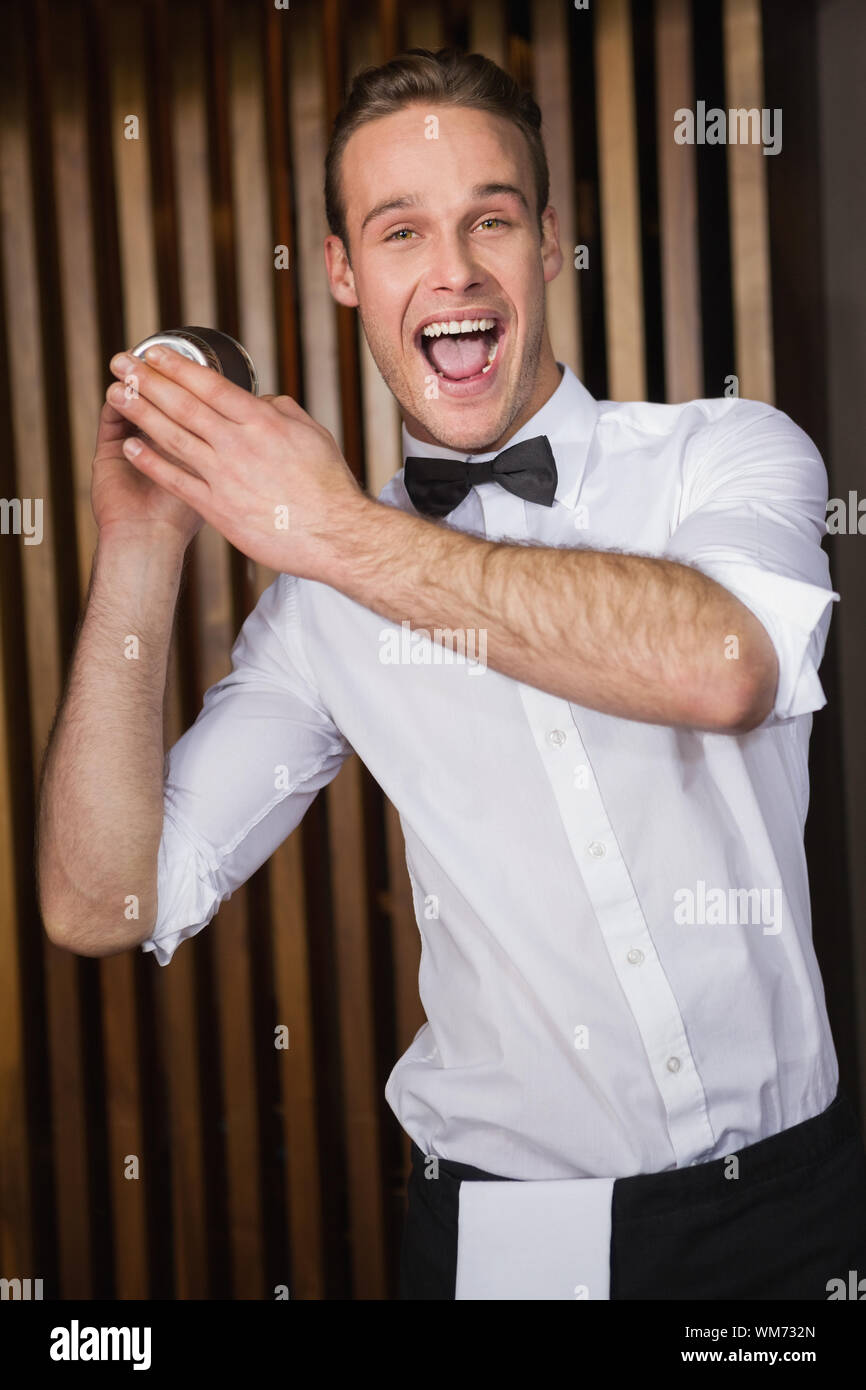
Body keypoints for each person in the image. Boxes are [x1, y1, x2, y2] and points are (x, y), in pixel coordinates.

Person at [37, 48, 866, 1300]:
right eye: (398, 230)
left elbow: (723, 667)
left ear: (546, 244)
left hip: (795, 1210)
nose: (453, 269)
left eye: (490, 217)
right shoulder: (319, 611)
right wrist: (144, 548)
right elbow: (101, 903)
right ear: (342, 274)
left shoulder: (725, 451)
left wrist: (333, 532)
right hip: (510, 1240)